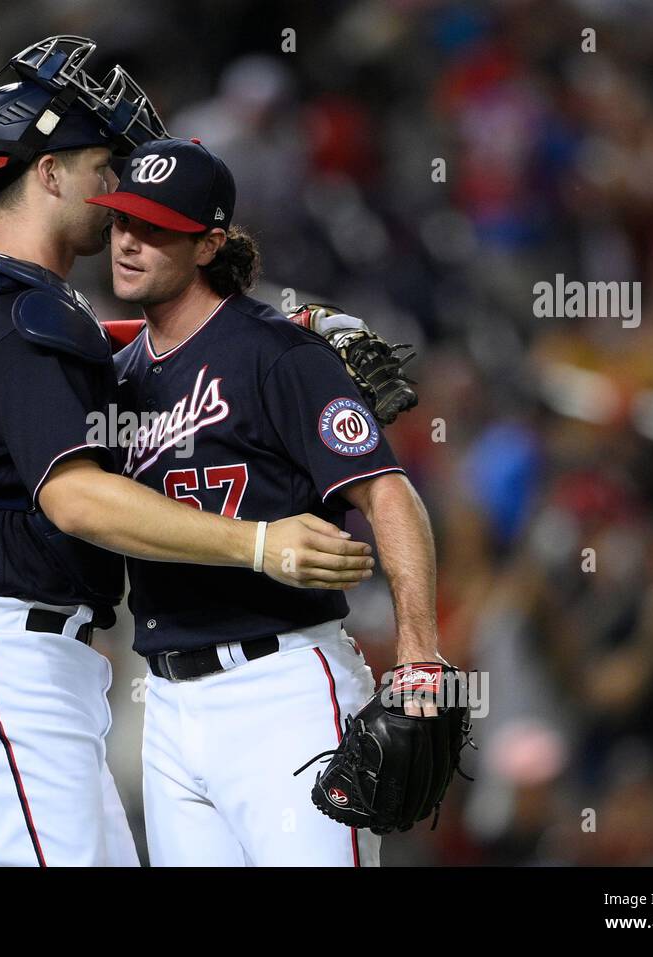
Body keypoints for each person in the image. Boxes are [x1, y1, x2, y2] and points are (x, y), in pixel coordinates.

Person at [0, 38, 374, 867]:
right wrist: (259, 541)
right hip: (5, 659)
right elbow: (72, 498)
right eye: (105, 162)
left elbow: (8, 464)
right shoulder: (34, 316)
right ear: (50, 172)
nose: (120, 190)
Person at [86, 137, 446, 866]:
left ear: (208, 242)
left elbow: (388, 493)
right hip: (166, 701)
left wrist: (417, 653)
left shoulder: (280, 355)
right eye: (121, 220)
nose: (128, 241)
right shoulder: (117, 376)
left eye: (155, 227)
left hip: (282, 685)